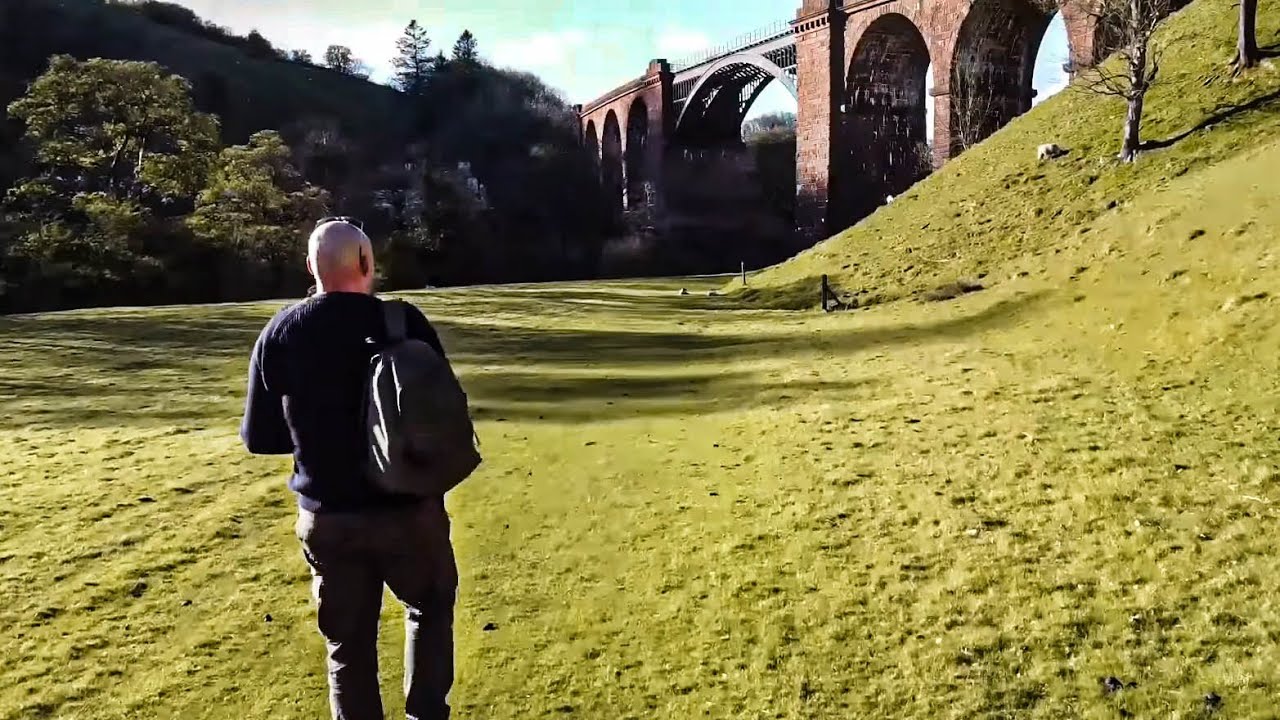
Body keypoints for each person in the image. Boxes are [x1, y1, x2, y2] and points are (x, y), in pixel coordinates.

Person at [240, 218, 458, 720]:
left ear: (310, 267)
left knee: (347, 644)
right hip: (408, 510)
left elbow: (261, 438)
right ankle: (426, 713)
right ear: (366, 263)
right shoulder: (403, 324)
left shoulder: (280, 332)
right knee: (429, 608)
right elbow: (442, 413)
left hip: (329, 517)